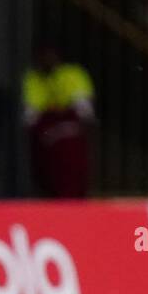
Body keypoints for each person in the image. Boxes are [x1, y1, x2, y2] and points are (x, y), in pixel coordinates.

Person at [23, 46, 95, 198]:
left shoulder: (73, 74)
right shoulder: (31, 78)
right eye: (43, 54)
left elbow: (85, 112)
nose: (47, 58)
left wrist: (60, 116)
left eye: (50, 53)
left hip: (69, 132)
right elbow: (29, 117)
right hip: (45, 134)